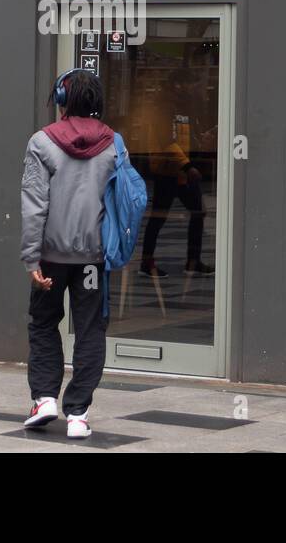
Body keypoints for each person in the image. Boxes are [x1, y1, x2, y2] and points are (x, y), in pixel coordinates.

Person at [20, 68, 118, 439]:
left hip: (50, 255)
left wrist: (31, 258)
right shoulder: (113, 144)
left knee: (44, 323)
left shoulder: (41, 142)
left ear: (61, 100)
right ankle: (78, 414)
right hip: (93, 255)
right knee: (90, 328)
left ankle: (45, 398)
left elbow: (34, 205)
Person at [139, 68, 214, 278]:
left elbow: (184, 137)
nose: (195, 89)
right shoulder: (164, 106)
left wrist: (202, 142)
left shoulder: (185, 107)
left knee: (197, 212)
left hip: (182, 170)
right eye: (192, 85)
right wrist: (187, 166)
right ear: (178, 85)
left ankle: (193, 261)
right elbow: (166, 141)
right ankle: (147, 262)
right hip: (168, 171)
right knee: (158, 217)